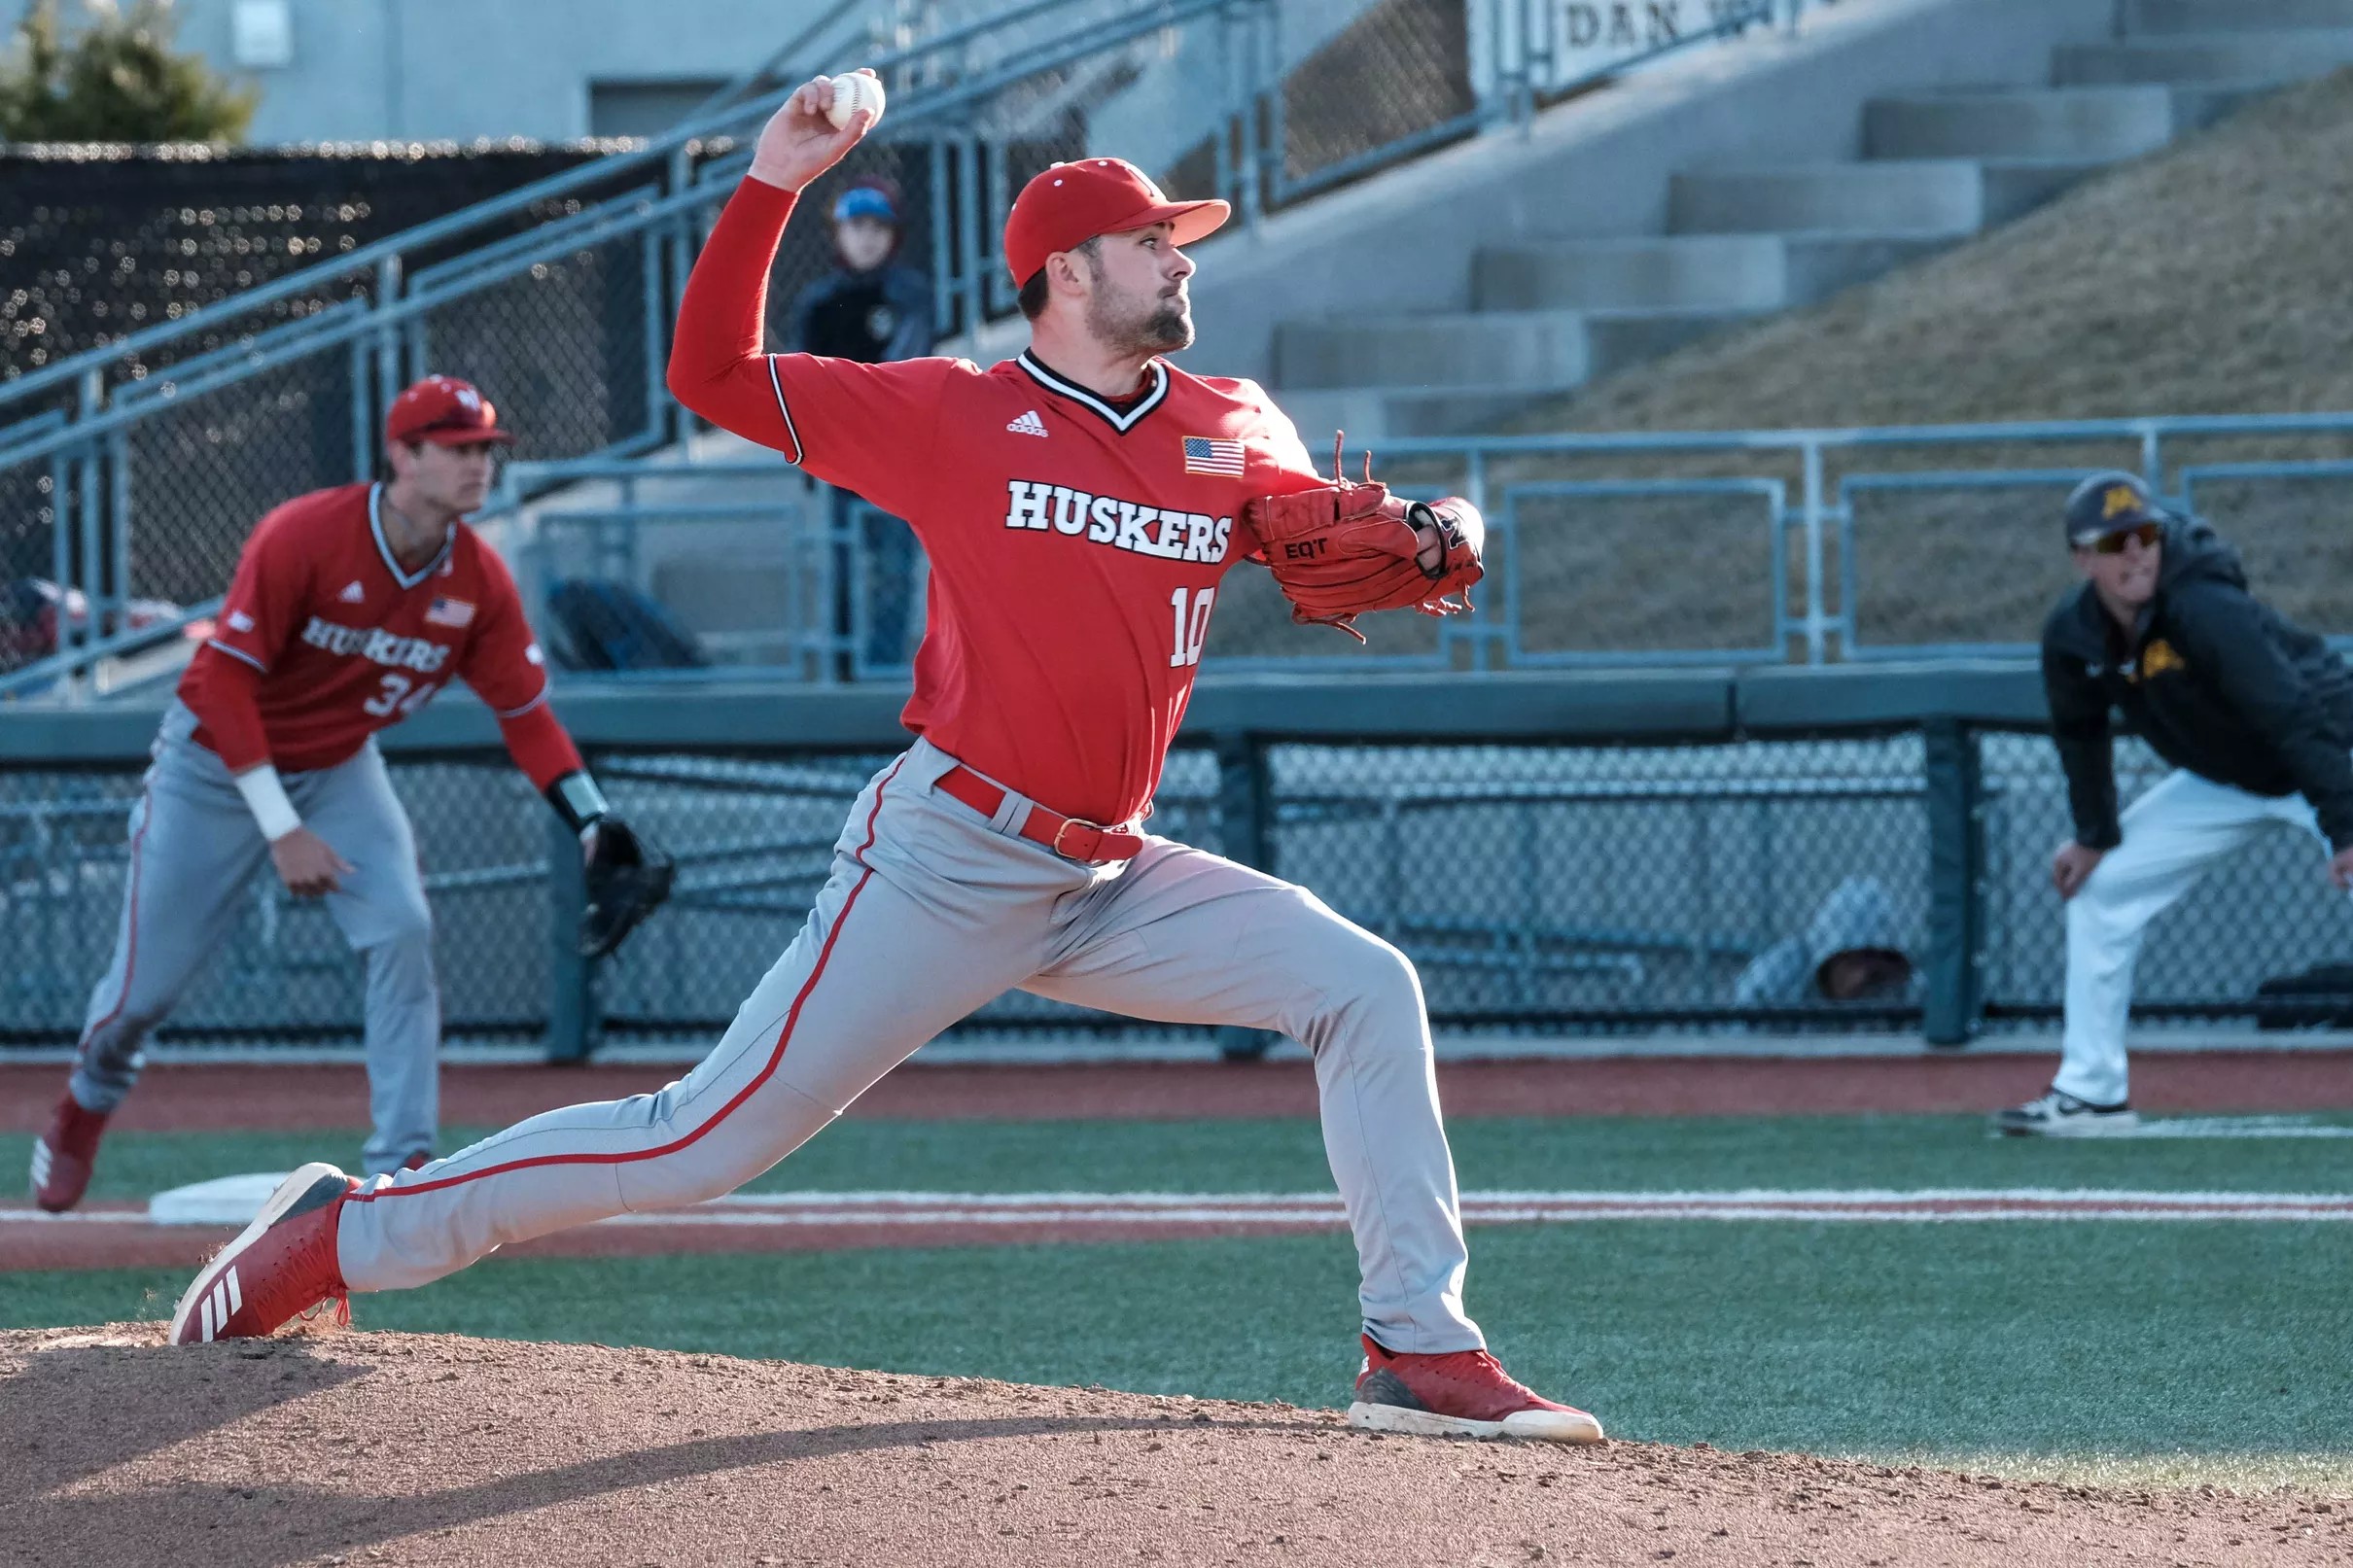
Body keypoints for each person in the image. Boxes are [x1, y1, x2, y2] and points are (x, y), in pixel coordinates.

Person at [160, 72, 1602, 1447]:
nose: (1181, 260)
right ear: (1065, 272)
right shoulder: (952, 415)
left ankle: (1415, 1345)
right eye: (1149, 241)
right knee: (694, 1143)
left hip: (1112, 869)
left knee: (1364, 985)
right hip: (944, 856)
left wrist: (1436, 525)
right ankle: (345, 1229)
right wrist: (773, 187)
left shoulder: (1233, 424)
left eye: (1181, 242)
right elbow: (708, 371)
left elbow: (1336, 536)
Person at [28, 376, 651, 1209]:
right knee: (142, 996)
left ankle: (405, 1164)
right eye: (456, 448)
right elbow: (224, 688)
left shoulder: (478, 581)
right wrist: (281, 828)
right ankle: (86, 1103)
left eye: (486, 451)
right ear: (402, 453)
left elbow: (527, 717)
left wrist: (591, 818)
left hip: (336, 767)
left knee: (402, 928)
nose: (477, 466)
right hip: (213, 766)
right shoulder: (307, 534)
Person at [1996, 471, 2353, 1136]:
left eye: (2145, 535)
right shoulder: (2072, 635)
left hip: (2328, 753)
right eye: (2114, 543)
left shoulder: (2204, 604)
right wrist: (2093, 834)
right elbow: (2081, 735)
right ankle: (2091, 1092)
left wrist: (2344, 821)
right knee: (2100, 887)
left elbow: (2290, 712)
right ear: (2083, 559)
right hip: (2230, 776)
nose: (2135, 554)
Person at [788, 182, 933, 674]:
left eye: (878, 228)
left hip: (894, 459)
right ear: (839, 234)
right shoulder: (819, 301)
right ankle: (845, 672)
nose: (868, 238)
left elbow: (902, 365)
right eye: (857, 227)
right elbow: (802, 382)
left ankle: (884, 669)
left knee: (893, 569)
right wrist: (810, 454)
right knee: (842, 568)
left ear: (892, 235)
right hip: (838, 459)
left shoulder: (908, 293)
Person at [1730, 876, 1914, 1008]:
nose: (1862, 976)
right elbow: (1736, 1036)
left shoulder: (1905, 990)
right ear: (1830, 958)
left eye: (1875, 962)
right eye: (1853, 960)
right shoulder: (1778, 976)